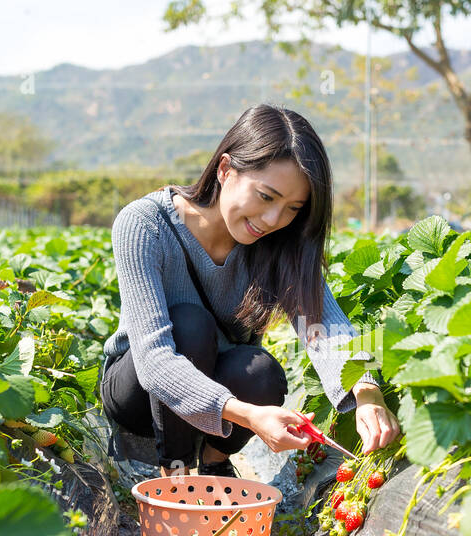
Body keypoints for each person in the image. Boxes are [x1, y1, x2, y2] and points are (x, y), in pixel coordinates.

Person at [100, 104, 402, 478]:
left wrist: (368, 393)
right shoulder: (145, 224)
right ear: (225, 170)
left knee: (262, 373)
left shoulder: (279, 244)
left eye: (293, 207)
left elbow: (326, 326)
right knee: (190, 325)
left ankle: (214, 461)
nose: (274, 220)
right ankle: (173, 474)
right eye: (266, 196)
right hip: (140, 397)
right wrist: (247, 415)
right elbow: (154, 360)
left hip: (218, 403)